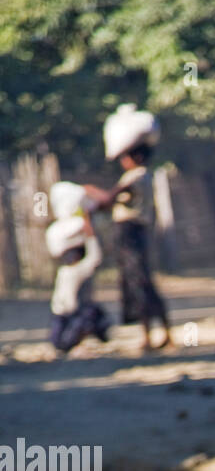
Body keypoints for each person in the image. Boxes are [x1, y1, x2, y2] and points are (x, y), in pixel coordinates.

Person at [86, 142, 172, 353]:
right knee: (142, 282)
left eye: (126, 156)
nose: (123, 161)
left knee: (138, 281)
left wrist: (88, 191)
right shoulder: (145, 176)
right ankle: (160, 334)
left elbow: (108, 198)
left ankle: (151, 337)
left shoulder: (136, 176)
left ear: (137, 157)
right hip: (134, 232)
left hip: (130, 232)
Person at [45, 214, 111, 355]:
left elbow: (95, 256)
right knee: (57, 343)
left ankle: (86, 335)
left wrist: (90, 236)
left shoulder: (81, 269)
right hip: (61, 314)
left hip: (77, 313)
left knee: (82, 323)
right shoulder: (64, 271)